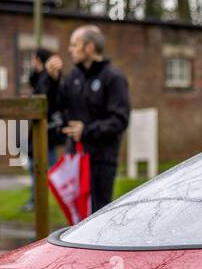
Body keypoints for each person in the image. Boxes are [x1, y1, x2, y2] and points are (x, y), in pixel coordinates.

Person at [45, 25, 130, 212]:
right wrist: (53, 80)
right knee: (78, 217)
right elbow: (56, 105)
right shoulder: (74, 76)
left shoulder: (113, 78)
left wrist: (87, 130)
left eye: (75, 45)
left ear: (90, 47)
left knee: (98, 214)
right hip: (75, 158)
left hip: (101, 159)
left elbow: (120, 120)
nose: (70, 49)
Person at [22, 48, 62, 212]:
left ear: (38, 59)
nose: (31, 60)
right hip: (40, 131)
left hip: (46, 131)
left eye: (33, 58)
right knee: (37, 167)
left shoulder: (48, 78)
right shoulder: (39, 77)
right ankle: (36, 200)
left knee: (50, 169)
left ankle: (44, 199)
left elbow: (48, 97)